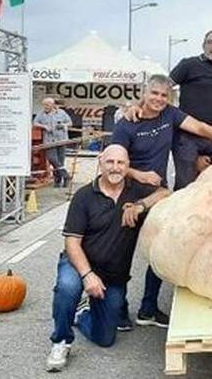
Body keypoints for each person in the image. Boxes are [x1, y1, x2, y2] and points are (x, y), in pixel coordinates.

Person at [110, 74, 212, 328]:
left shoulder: (171, 115)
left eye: (164, 95)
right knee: (122, 252)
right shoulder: (127, 124)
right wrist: (139, 173)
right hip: (127, 194)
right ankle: (118, 309)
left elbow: (202, 128)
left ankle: (148, 309)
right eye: (155, 94)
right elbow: (112, 163)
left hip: (157, 194)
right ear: (144, 93)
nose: (159, 99)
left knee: (158, 249)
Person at [45, 144, 171, 372]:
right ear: (100, 163)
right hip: (79, 263)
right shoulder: (84, 196)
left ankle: (83, 311)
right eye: (110, 162)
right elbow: (72, 242)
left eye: (121, 163)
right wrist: (87, 275)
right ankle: (61, 341)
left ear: (128, 166)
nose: (115, 168)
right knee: (67, 287)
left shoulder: (135, 190)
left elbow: (165, 192)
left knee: (105, 339)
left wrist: (142, 205)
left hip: (113, 274)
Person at [167, 29, 212, 190]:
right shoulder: (189, 64)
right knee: (185, 186)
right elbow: (164, 86)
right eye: (211, 42)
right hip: (188, 138)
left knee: (210, 186)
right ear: (203, 45)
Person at [34, 97, 74, 188]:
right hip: (49, 140)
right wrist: (44, 126)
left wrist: (64, 125)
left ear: (52, 105)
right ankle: (66, 176)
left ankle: (58, 181)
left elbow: (70, 122)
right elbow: (35, 122)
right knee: (52, 159)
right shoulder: (41, 114)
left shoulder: (61, 113)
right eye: (44, 105)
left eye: (47, 105)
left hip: (61, 139)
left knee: (60, 161)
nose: (45, 107)